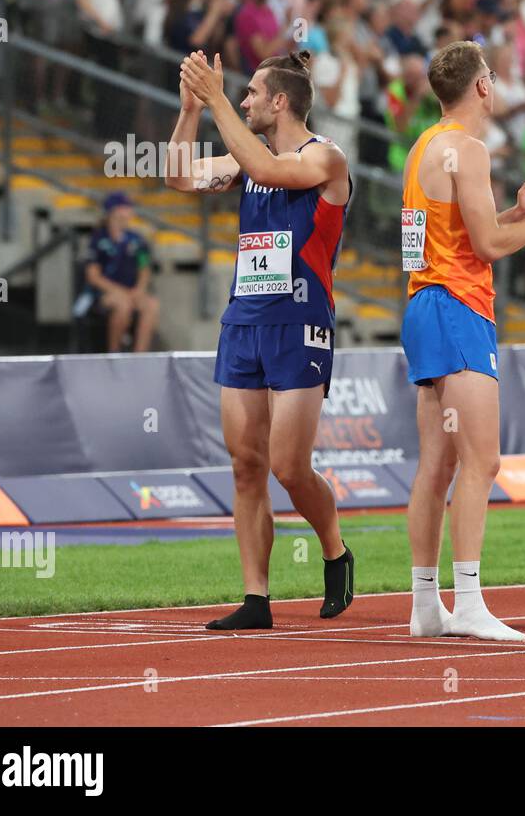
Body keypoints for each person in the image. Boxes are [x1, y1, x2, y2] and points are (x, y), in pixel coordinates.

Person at [401, 40, 525, 641]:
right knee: (483, 459)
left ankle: (427, 605)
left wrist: (518, 209)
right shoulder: (470, 148)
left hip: (424, 303)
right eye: (493, 76)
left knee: (437, 464)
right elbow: (485, 249)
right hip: (459, 306)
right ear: (482, 86)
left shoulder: (425, 147)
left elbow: (456, 231)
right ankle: (471, 601)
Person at [168, 48, 354, 631]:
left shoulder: (325, 157)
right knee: (246, 464)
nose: (243, 100)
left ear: (280, 101)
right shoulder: (245, 160)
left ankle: (334, 549)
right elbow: (178, 175)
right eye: (239, 94)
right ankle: (256, 598)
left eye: (250, 93)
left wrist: (217, 98)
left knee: (289, 466)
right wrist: (191, 110)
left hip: (300, 325)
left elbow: (274, 172)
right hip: (243, 322)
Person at [82, 192, 159, 352]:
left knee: (151, 305)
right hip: (105, 294)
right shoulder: (98, 240)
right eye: (126, 207)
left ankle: (140, 355)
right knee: (122, 304)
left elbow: (144, 268)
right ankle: (115, 354)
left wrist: (139, 289)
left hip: (132, 291)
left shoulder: (137, 239)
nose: (130, 211)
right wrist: (119, 291)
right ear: (114, 211)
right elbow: (93, 276)